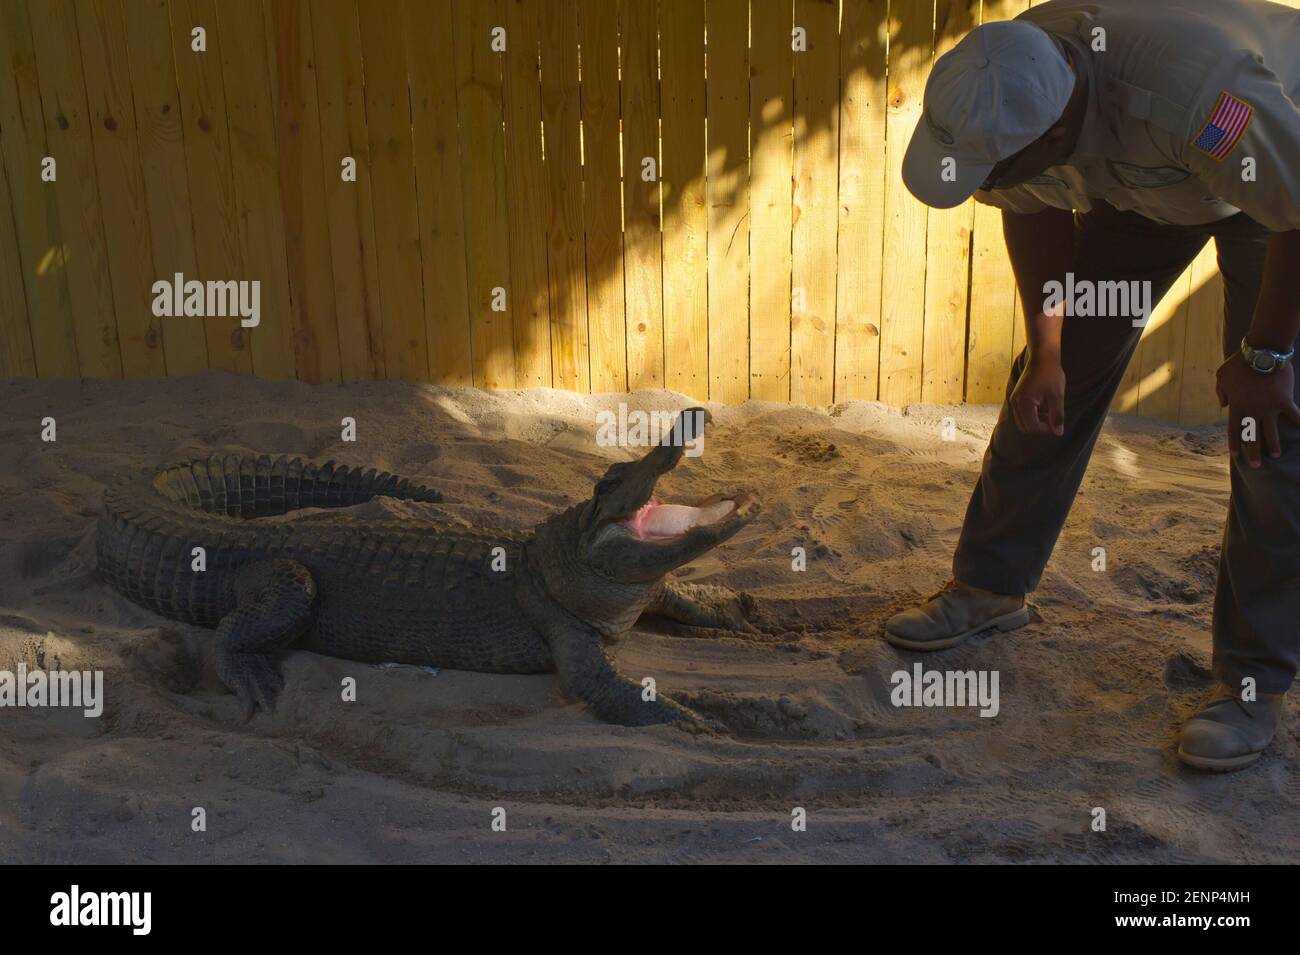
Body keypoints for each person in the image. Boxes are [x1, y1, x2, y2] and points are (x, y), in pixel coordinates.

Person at [894, 0, 1300, 771]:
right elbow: (1030, 208)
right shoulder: (1013, 71)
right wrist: (1048, 350)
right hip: (1149, 186)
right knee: (1053, 377)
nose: (986, 187)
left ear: (1052, 137)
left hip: (1275, 189)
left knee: (1269, 428)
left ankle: (1251, 685)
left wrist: (1267, 360)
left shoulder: (1202, 93)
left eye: (994, 174)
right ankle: (990, 587)